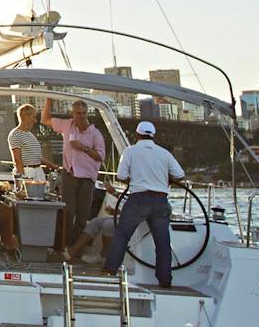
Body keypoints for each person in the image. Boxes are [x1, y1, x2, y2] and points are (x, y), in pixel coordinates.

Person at [104, 120, 186, 287]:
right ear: (153, 135)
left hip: (138, 199)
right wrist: (165, 180)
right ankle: (165, 280)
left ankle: (110, 270)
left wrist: (134, 179)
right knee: (162, 242)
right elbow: (180, 175)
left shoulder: (130, 151)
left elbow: (121, 176)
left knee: (122, 234)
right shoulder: (164, 153)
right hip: (161, 201)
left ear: (137, 134)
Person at [48, 98, 107, 250]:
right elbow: (45, 119)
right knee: (68, 212)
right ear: (72, 114)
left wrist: (84, 148)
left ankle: (76, 248)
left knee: (82, 215)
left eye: (84, 113)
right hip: (70, 174)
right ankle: (64, 245)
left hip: (87, 178)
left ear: (87, 114)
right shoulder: (67, 125)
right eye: (78, 113)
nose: (81, 116)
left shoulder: (95, 134)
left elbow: (101, 157)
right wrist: (48, 100)